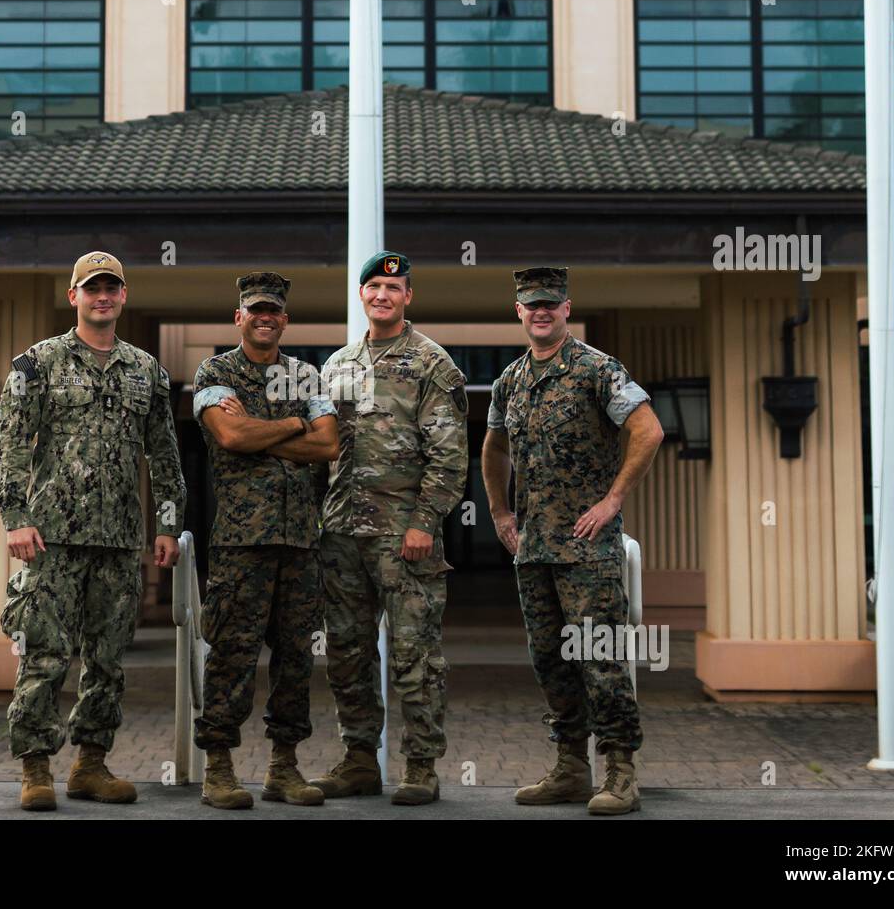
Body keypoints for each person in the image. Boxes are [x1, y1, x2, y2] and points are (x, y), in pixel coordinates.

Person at [0, 250, 187, 811]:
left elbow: (165, 456)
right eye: (92, 288)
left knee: (107, 661)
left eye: (112, 288)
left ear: (123, 297)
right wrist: (16, 516)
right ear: (73, 296)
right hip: (52, 539)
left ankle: (91, 766)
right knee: (45, 656)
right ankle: (35, 769)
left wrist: (167, 525)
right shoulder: (37, 364)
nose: (103, 297)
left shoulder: (146, 370)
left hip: (121, 541)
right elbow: (7, 445)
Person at [481, 266, 663, 816]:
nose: (541, 311)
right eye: (531, 304)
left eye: (550, 303)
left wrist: (612, 500)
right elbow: (493, 449)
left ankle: (620, 770)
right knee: (549, 659)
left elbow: (648, 430)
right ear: (519, 311)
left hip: (588, 549)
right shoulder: (509, 380)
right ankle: (570, 766)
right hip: (534, 548)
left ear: (565, 308)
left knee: (598, 657)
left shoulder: (596, 369)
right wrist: (498, 512)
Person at [311, 250, 468, 806]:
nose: (382, 295)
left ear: (408, 297)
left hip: (405, 536)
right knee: (348, 653)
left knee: (414, 655)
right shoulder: (338, 366)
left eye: (393, 288)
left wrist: (425, 521)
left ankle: (421, 766)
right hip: (342, 534)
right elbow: (322, 448)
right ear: (361, 295)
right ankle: (358, 761)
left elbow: (449, 456)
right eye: (373, 286)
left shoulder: (432, 363)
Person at [192, 272, 339, 809]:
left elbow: (329, 447)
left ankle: (284, 766)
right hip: (240, 544)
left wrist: (264, 431)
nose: (264, 317)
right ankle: (220, 769)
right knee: (232, 654)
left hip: (300, 542)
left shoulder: (305, 375)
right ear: (239, 317)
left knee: (297, 657)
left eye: (273, 310)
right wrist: (295, 426)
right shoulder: (216, 370)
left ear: (285, 319)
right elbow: (228, 435)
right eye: (255, 309)